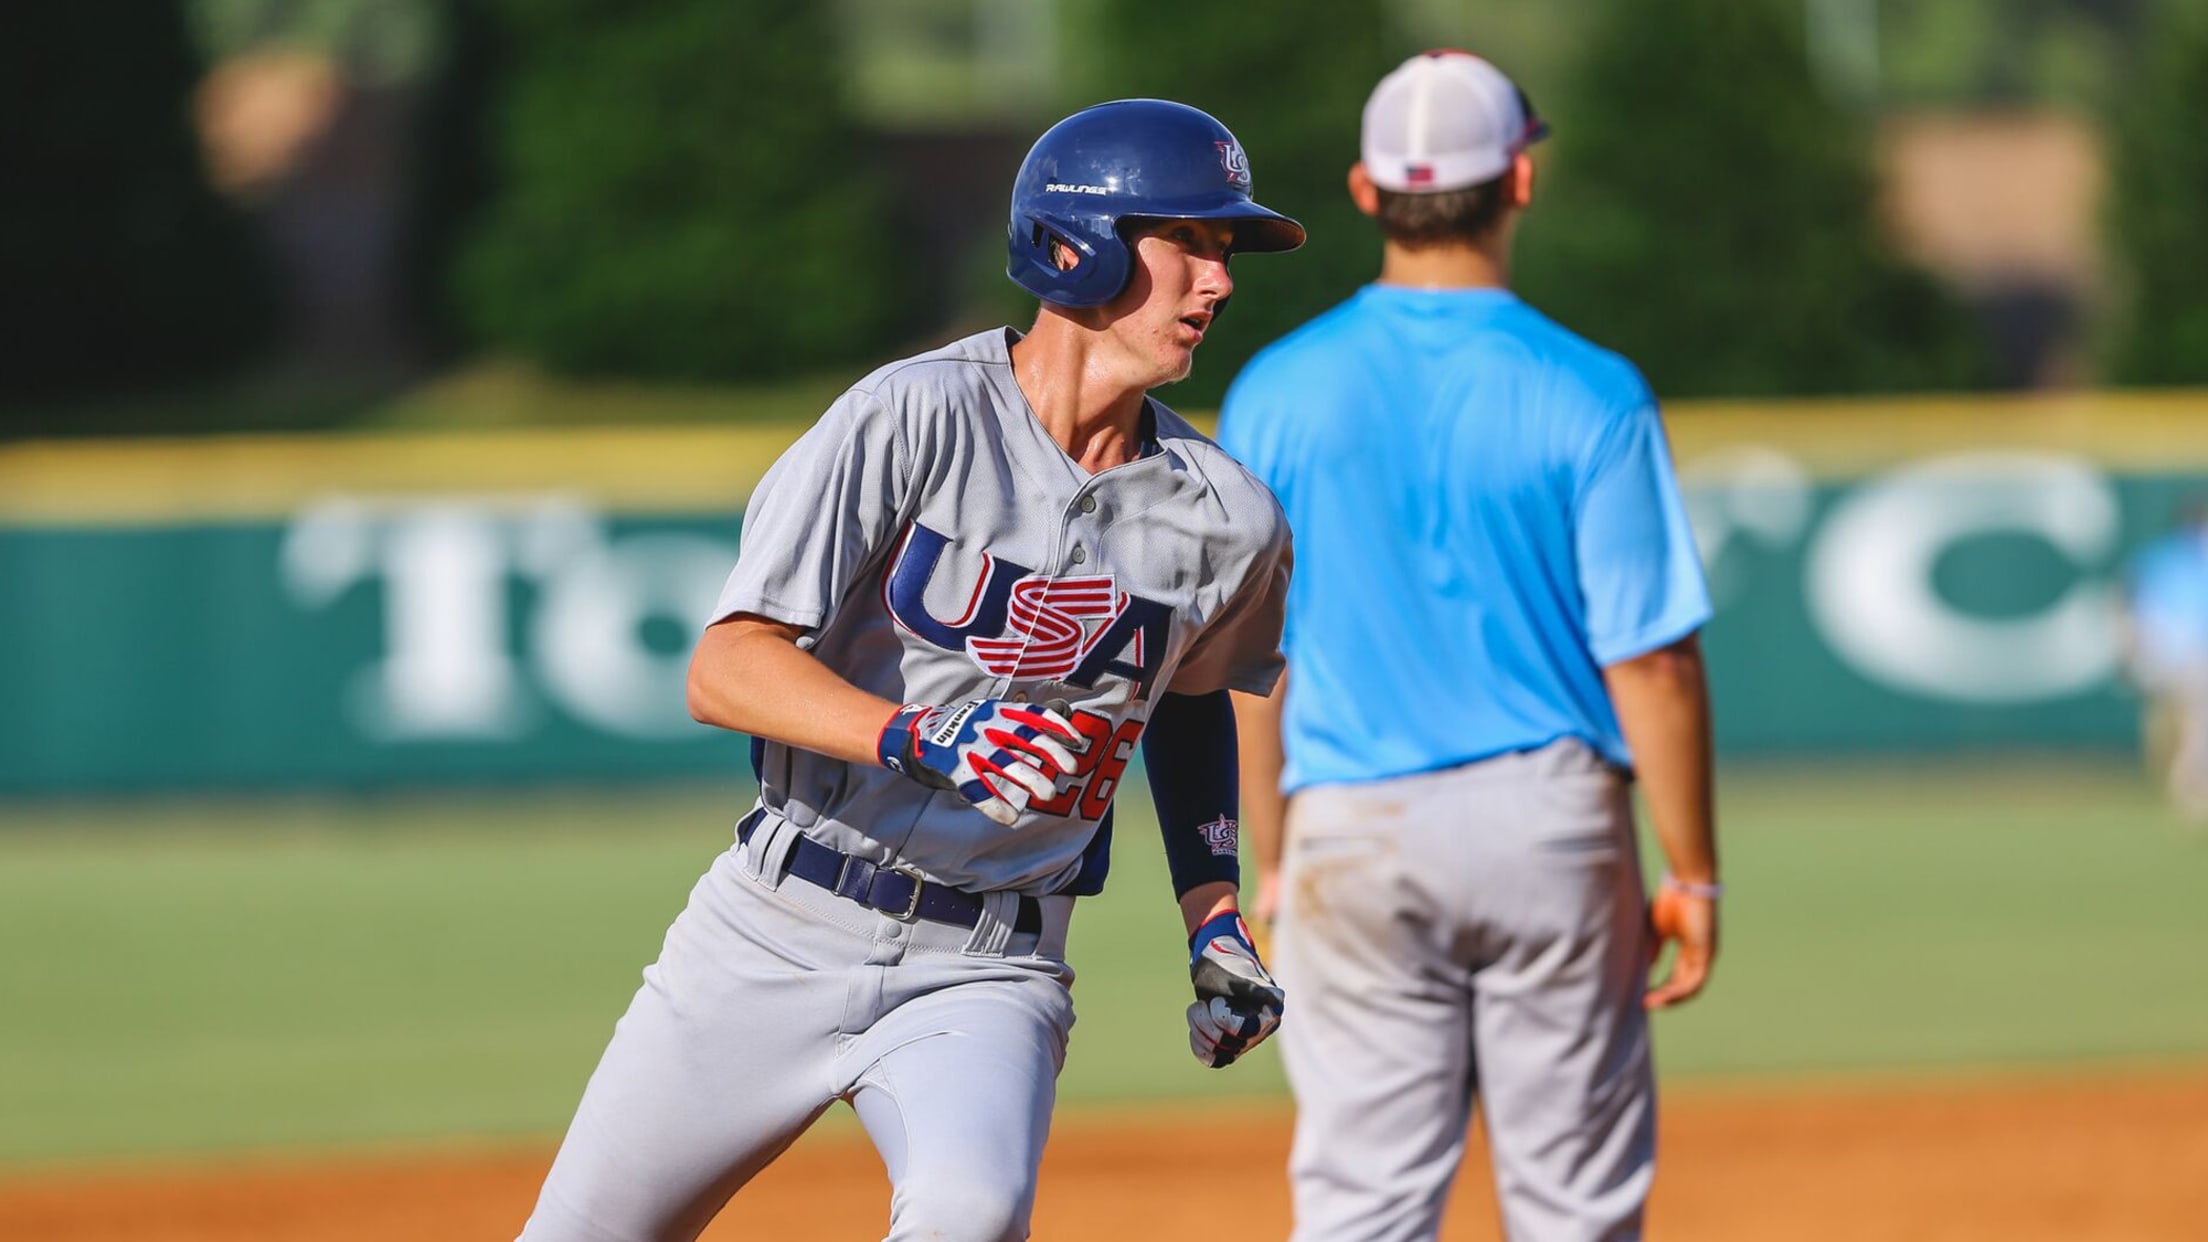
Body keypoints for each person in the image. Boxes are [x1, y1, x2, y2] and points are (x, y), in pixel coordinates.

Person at [516, 99, 1302, 1242]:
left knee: (968, 1218)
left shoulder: (1228, 516)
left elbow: (1186, 708)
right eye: (1187, 240)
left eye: (1225, 251)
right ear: (1075, 245)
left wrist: (1214, 918)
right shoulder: (912, 416)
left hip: (992, 966)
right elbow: (727, 666)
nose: (1216, 282)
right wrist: (919, 737)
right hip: (776, 924)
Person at [1217, 51, 1721, 1241]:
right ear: (1521, 182)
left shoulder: (1275, 392)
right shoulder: (1593, 389)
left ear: (1363, 189)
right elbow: (1649, 661)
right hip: (1549, 820)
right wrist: (1690, 870)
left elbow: (1247, 663)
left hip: (1350, 819)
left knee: (1363, 1206)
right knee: (1574, 1206)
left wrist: (1270, 855)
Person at [2119, 501, 2208, 823]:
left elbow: (2125, 607)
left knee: (2175, 721)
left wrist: (2129, 652)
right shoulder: (2187, 559)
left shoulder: (2155, 557)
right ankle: (2186, 792)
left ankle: (2178, 784)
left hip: (2161, 657)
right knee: (2198, 725)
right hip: (2186, 656)